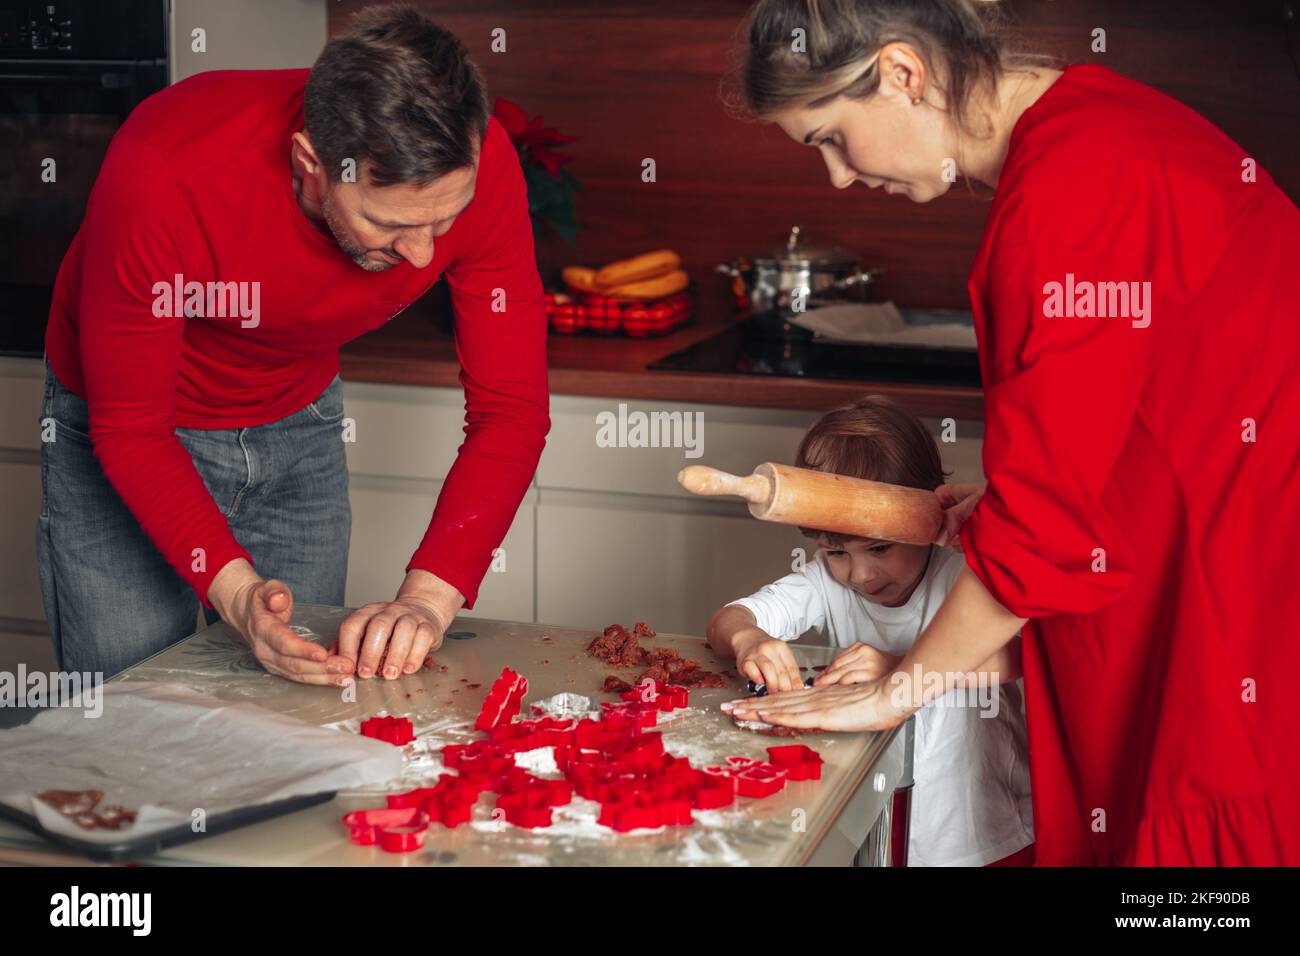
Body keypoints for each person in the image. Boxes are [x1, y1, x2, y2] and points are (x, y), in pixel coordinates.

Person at [725, 0, 1300, 865]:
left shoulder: (1068, 188)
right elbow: (1149, 401)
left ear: (902, 73)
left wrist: (899, 693)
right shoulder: (1096, 124)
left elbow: (1045, 532)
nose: (839, 178)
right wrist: (1010, 491)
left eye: (831, 137)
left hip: (1227, 613)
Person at [37, 6, 549, 686]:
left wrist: (428, 601)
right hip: (127, 432)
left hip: (297, 419)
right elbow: (132, 429)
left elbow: (510, 409)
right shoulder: (164, 169)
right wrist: (238, 599)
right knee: (128, 721)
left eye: (446, 220)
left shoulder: (480, 166)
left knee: (298, 719)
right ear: (312, 162)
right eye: (390, 224)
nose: (424, 254)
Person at [710, 396, 1034, 866]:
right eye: (837, 551)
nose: (860, 575)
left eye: (880, 548)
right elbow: (729, 618)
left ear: (928, 516)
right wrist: (750, 639)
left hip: (984, 832)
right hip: (879, 828)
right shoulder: (824, 581)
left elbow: (1019, 656)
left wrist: (900, 669)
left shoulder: (962, 574)